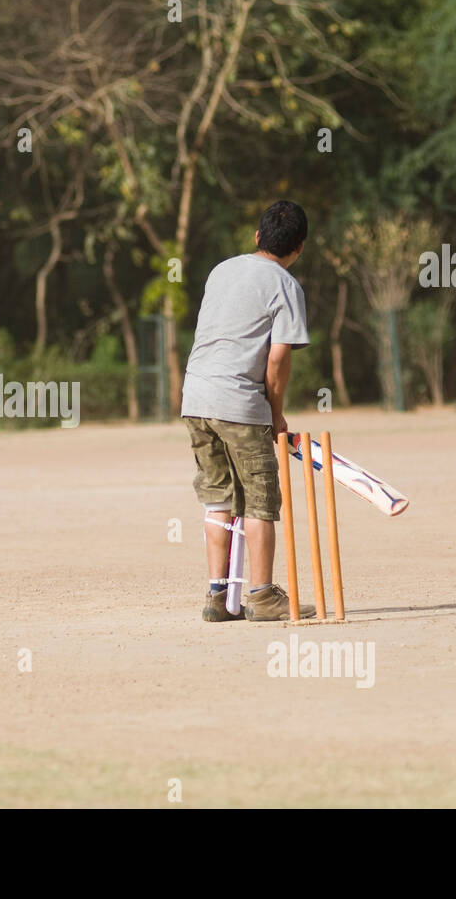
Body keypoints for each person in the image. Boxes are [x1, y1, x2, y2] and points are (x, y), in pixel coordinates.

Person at [181, 200, 317, 622]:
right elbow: (277, 360)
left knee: (217, 498)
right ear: (299, 248)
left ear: (257, 237)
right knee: (260, 501)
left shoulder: (221, 270)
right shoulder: (285, 285)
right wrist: (275, 413)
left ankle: (217, 597)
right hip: (238, 401)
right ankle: (261, 595)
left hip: (195, 397)